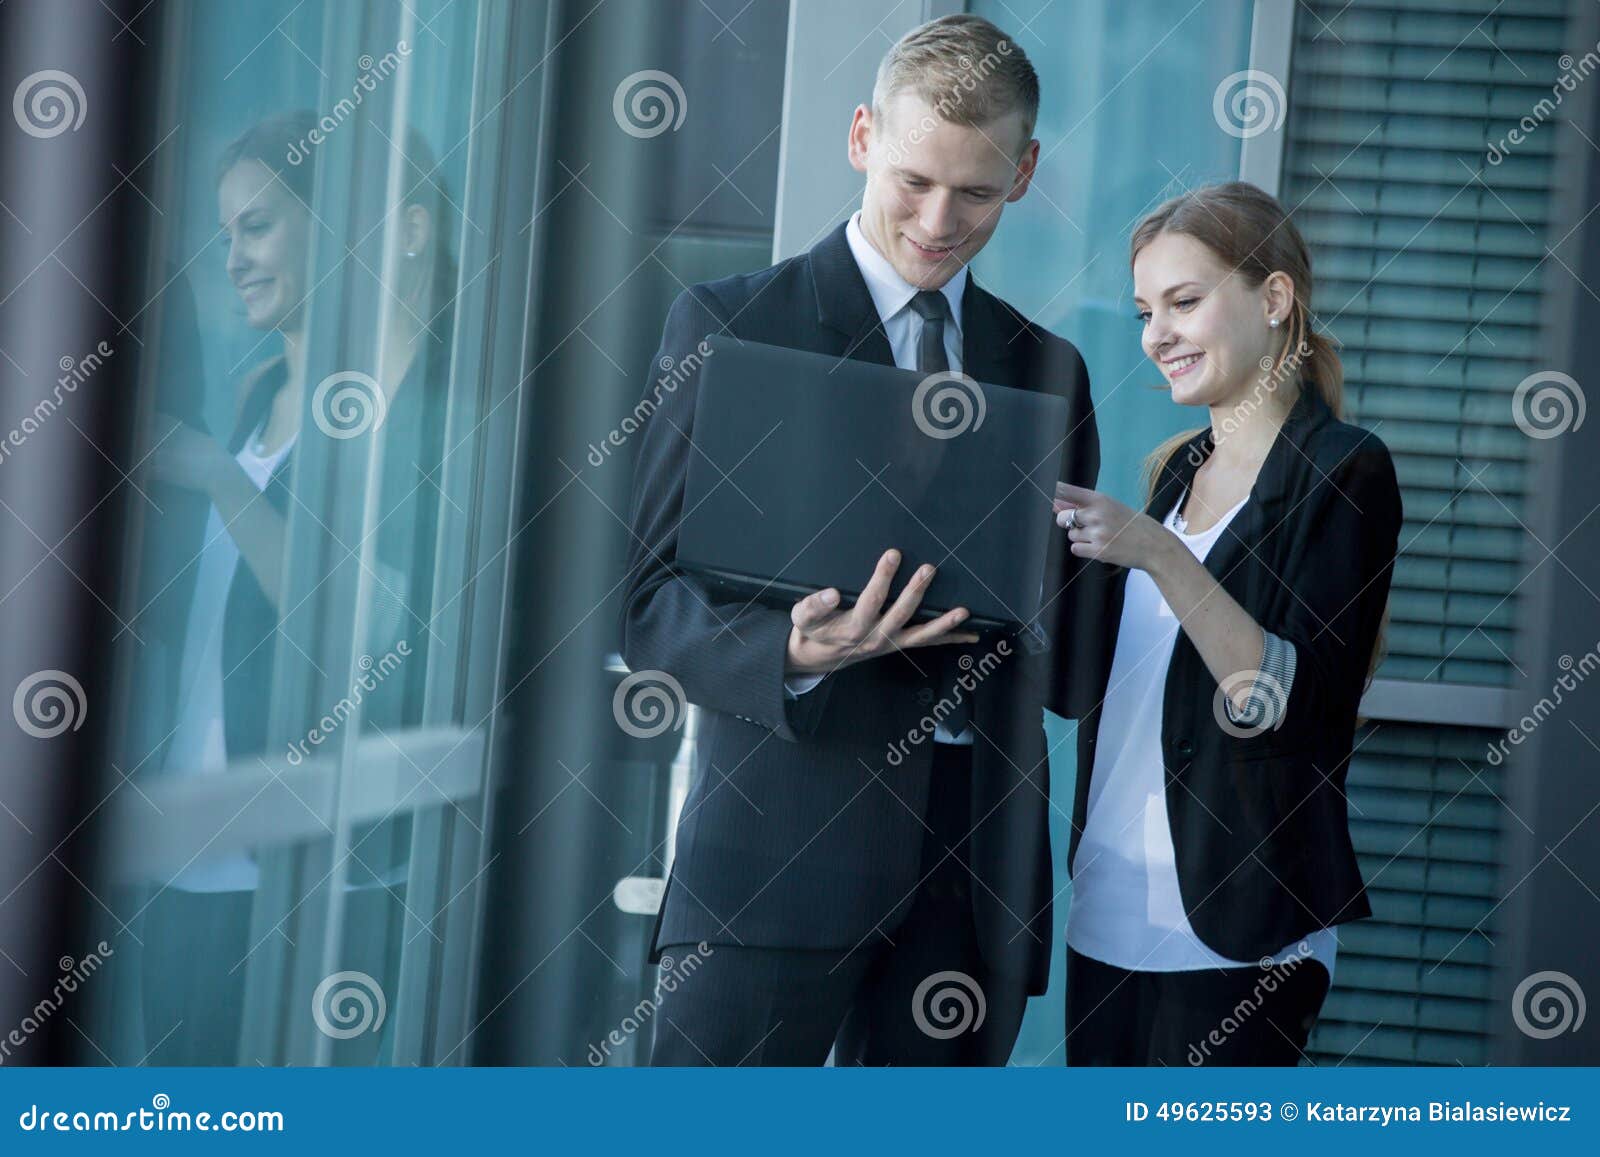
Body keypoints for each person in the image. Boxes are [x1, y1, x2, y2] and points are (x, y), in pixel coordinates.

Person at [620, 14, 1099, 1066]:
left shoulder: (1045, 368)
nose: (938, 220)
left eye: (975, 191)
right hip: (770, 873)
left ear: (1023, 173)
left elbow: (1064, 644)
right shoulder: (730, 328)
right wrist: (789, 650)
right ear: (859, 139)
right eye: (913, 179)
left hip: (970, 888)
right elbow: (638, 602)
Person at [1053, 181, 1401, 1066]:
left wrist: (1161, 557)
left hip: (1237, 928)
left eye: (1184, 301)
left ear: (1274, 299)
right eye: (1144, 310)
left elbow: (1295, 701)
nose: (1155, 334)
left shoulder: (1344, 472)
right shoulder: (1175, 475)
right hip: (1110, 910)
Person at [135, 110, 455, 1064]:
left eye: (260, 226)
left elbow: (369, 625)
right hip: (188, 872)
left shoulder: (405, 418)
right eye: (225, 232)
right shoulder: (245, 398)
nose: (233, 257)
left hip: (320, 891)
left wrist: (224, 484)